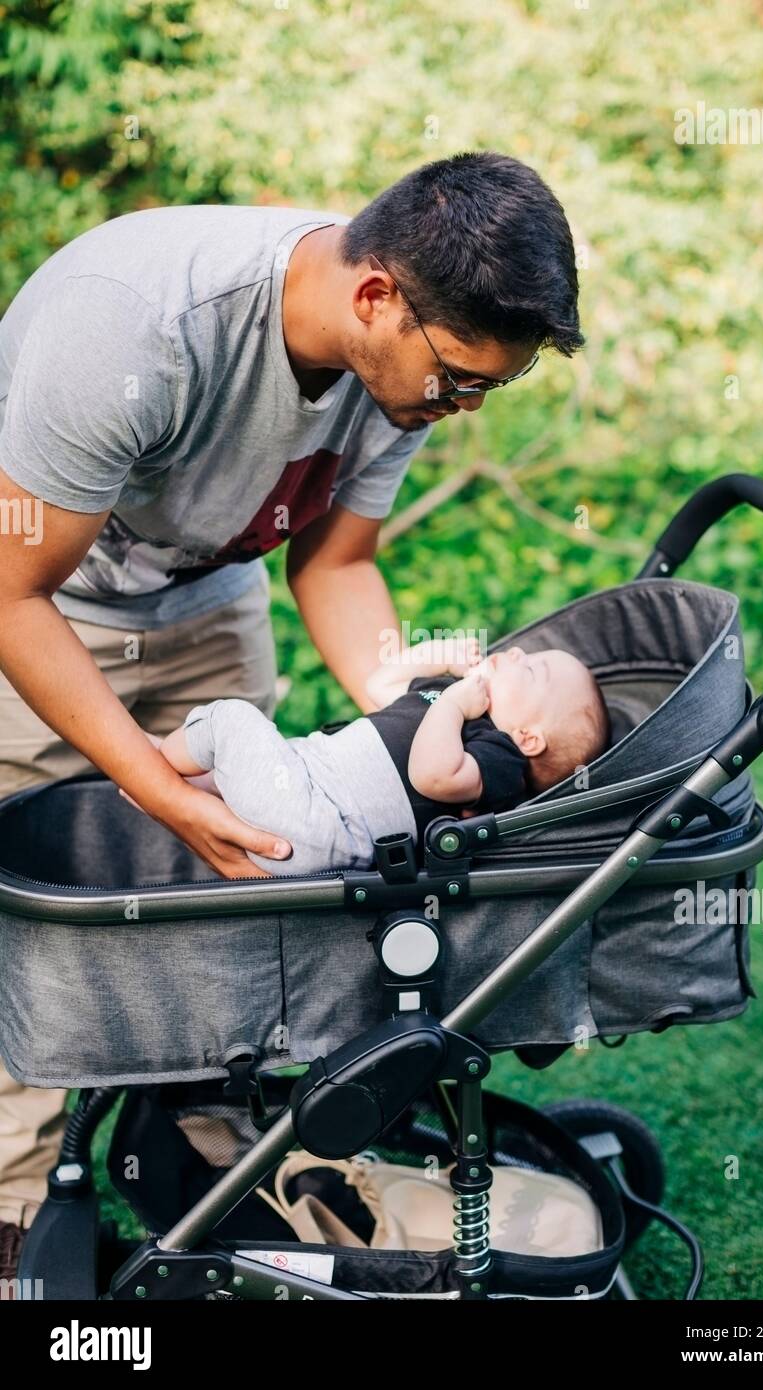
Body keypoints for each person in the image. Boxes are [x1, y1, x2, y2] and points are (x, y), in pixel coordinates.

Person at [0, 150, 583, 1286]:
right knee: (40, 920)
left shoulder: (397, 356)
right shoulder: (134, 327)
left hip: (211, 604)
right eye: (458, 383)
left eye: (485, 392)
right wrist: (156, 784)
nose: (457, 411)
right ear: (375, 297)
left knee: (227, 910)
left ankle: (200, 1157)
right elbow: (12, 595)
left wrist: (415, 727)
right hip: (48, 604)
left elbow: (338, 560)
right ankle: (21, 1204)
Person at [143, 638, 610, 875]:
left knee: (233, 720)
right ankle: (187, 782)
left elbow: (433, 777)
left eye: (529, 668)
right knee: (260, 750)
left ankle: (156, 765)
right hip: (305, 787)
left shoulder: (499, 756)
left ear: (529, 737)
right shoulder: (451, 700)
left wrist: (453, 705)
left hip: (324, 826)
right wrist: (436, 658)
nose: (514, 652)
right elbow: (379, 689)